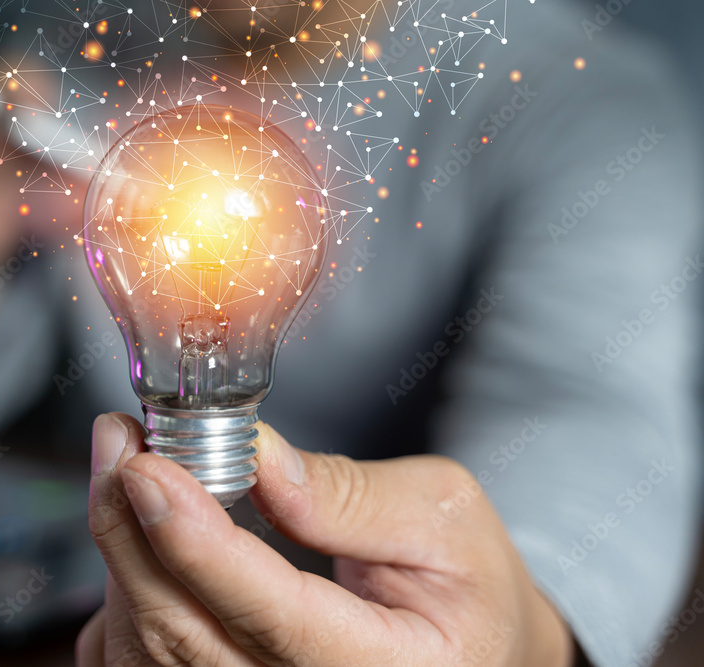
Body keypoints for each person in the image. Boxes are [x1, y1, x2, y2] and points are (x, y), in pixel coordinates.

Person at [73, 0, 704, 665]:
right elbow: (12, 362)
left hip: (372, 602)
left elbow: (588, 404)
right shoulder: (99, 47)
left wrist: (524, 624)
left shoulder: (584, 97)